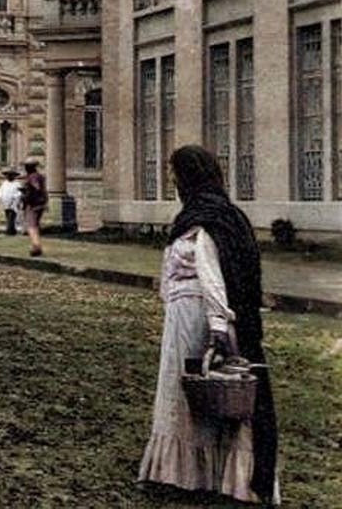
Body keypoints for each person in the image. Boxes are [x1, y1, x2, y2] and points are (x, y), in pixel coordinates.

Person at [138, 145, 279, 505]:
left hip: (198, 319)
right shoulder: (206, 215)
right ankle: (187, 473)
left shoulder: (208, 219)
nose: (172, 181)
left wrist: (218, 327)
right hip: (183, 315)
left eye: (175, 174)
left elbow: (214, 275)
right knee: (185, 392)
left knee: (197, 389)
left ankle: (211, 474)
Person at [21, 160, 47, 256]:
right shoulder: (40, 176)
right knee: (35, 224)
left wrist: (26, 191)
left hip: (33, 204)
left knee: (31, 226)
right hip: (40, 203)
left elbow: (36, 187)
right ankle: (35, 245)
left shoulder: (32, 177)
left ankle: (36, 246)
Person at [0, 169, 22, 235]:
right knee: (8, 216)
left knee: (11, 216)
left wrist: (14, 198)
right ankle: (12, 231)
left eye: (11, 175)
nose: (9, 176)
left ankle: (8, 231)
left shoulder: (17, 184)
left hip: (13, 203)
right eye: (8, 175)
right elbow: (0, 192)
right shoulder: (4, 184)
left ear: (14, 176)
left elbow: (19, 193)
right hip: (5, 203)